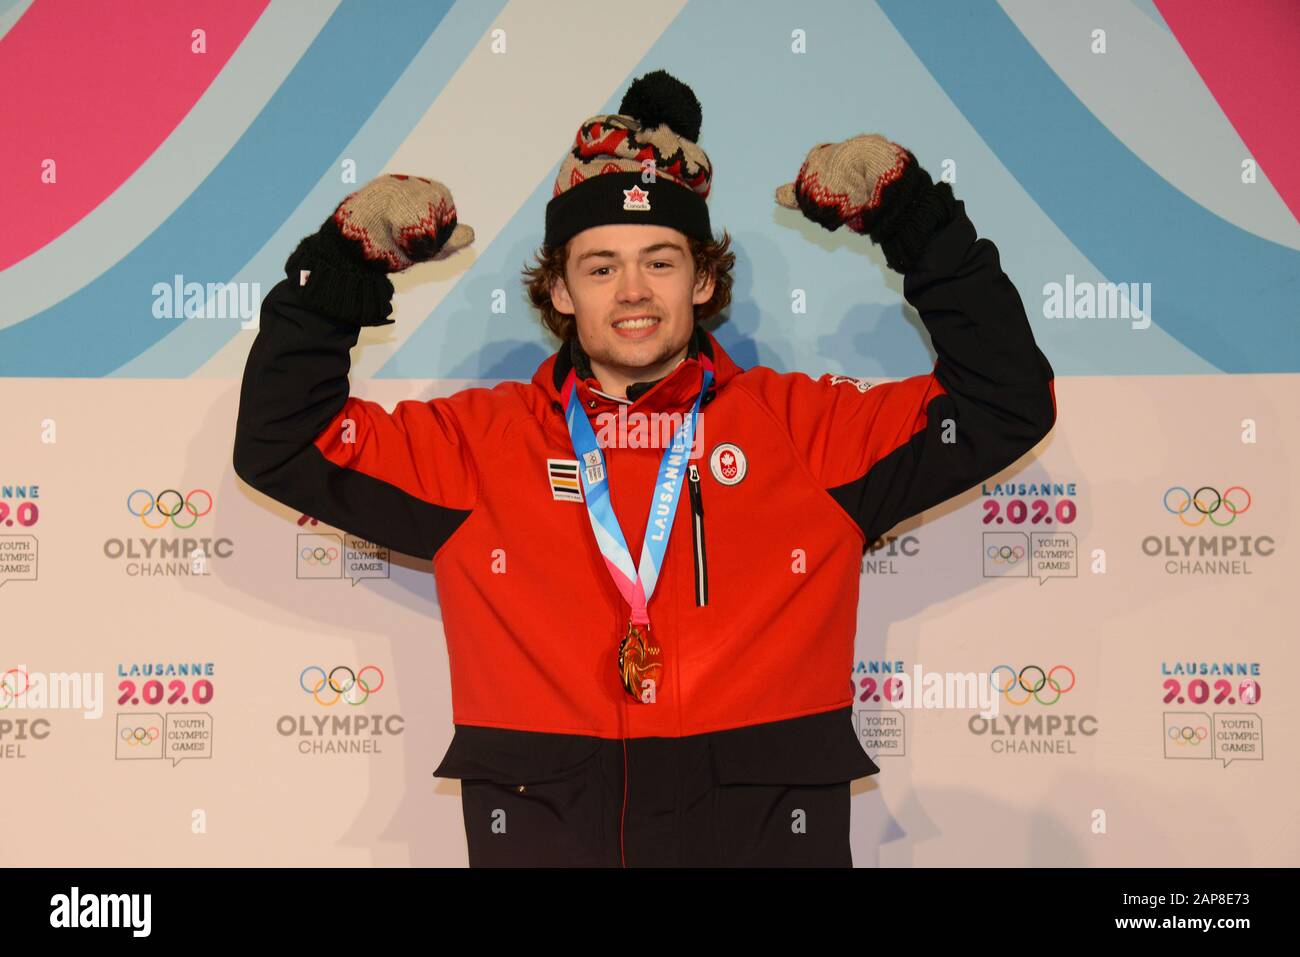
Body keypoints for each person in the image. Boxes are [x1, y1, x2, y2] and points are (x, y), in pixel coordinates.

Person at [233, 70, 1057, 867]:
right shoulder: (478, 447)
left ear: (702, 279)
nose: (633, 291)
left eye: (660, 261)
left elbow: (1003, 400)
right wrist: (337, 267)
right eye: (600, 267)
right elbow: (283, 442)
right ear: (559, 289)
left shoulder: (805, 431)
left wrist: (915, 218)